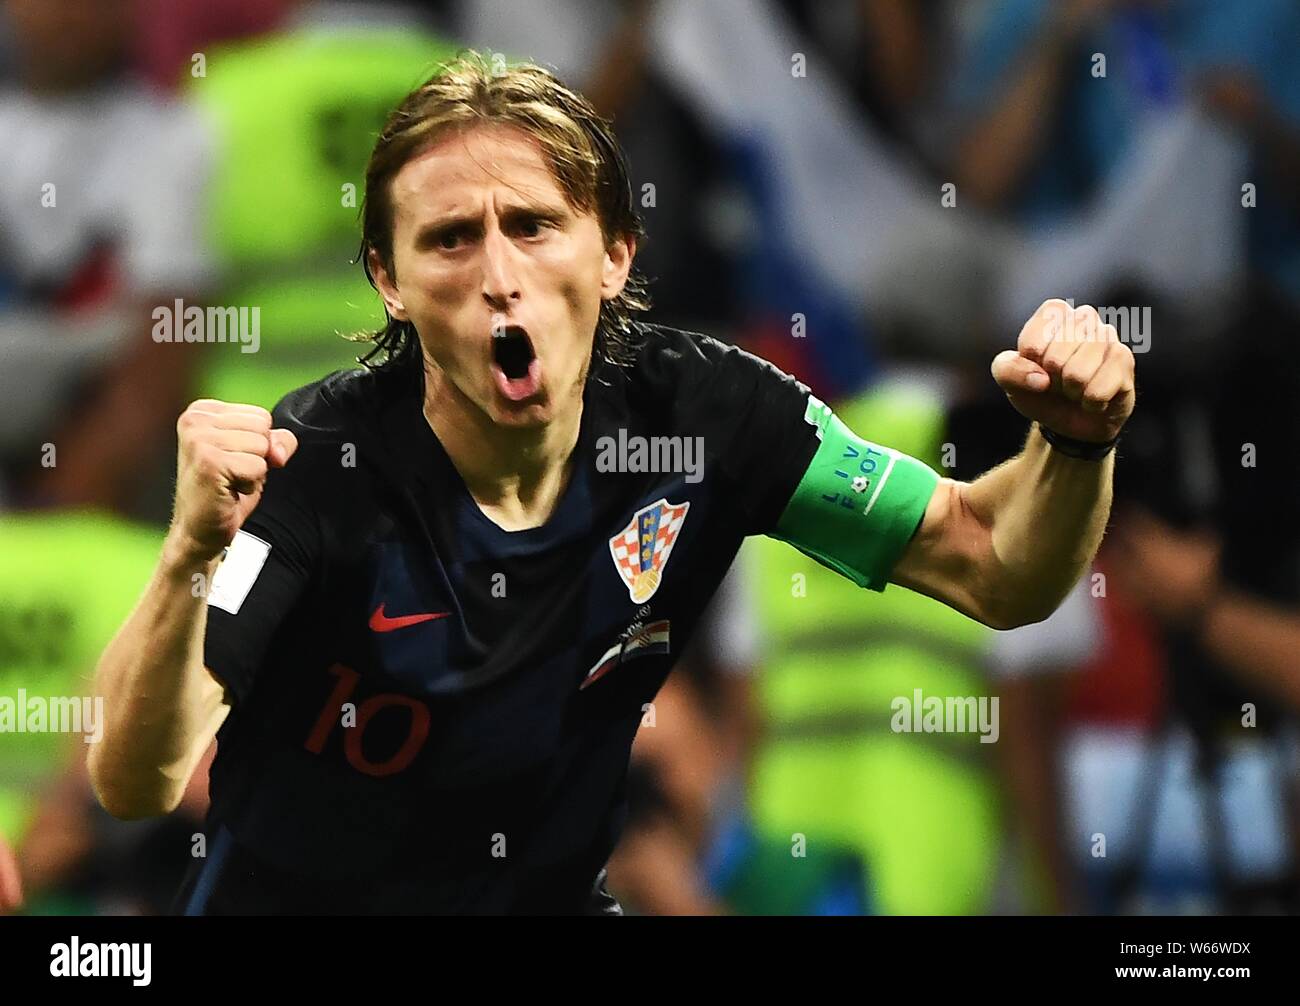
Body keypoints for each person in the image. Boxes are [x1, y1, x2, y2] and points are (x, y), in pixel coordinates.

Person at [87, 54, 1136, 914]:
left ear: (615, 255)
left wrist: (1075, 448)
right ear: (389, 283)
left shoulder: (709, 418)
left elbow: (995, 566)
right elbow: (135, 780)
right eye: (449, 239)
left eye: (533, 226)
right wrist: (187, 553)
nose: (498, 273)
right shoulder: (314, 466)